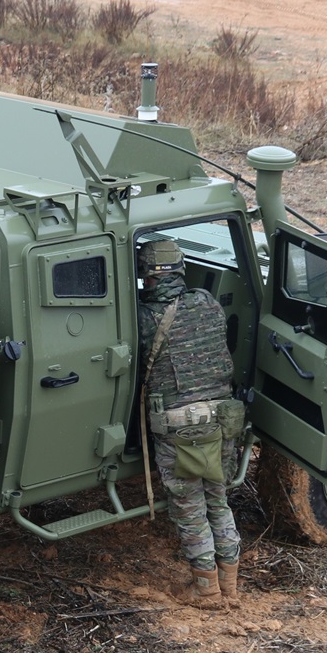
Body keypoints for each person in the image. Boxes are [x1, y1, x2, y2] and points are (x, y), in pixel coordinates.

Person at [137, 237, 244, 609]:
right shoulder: (208, 302)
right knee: (218, 499)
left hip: (179, 425)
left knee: (189, 507)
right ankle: (230, 584)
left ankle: (207, 591)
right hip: (223, 419)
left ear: (146, 276)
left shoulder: (145, 317)